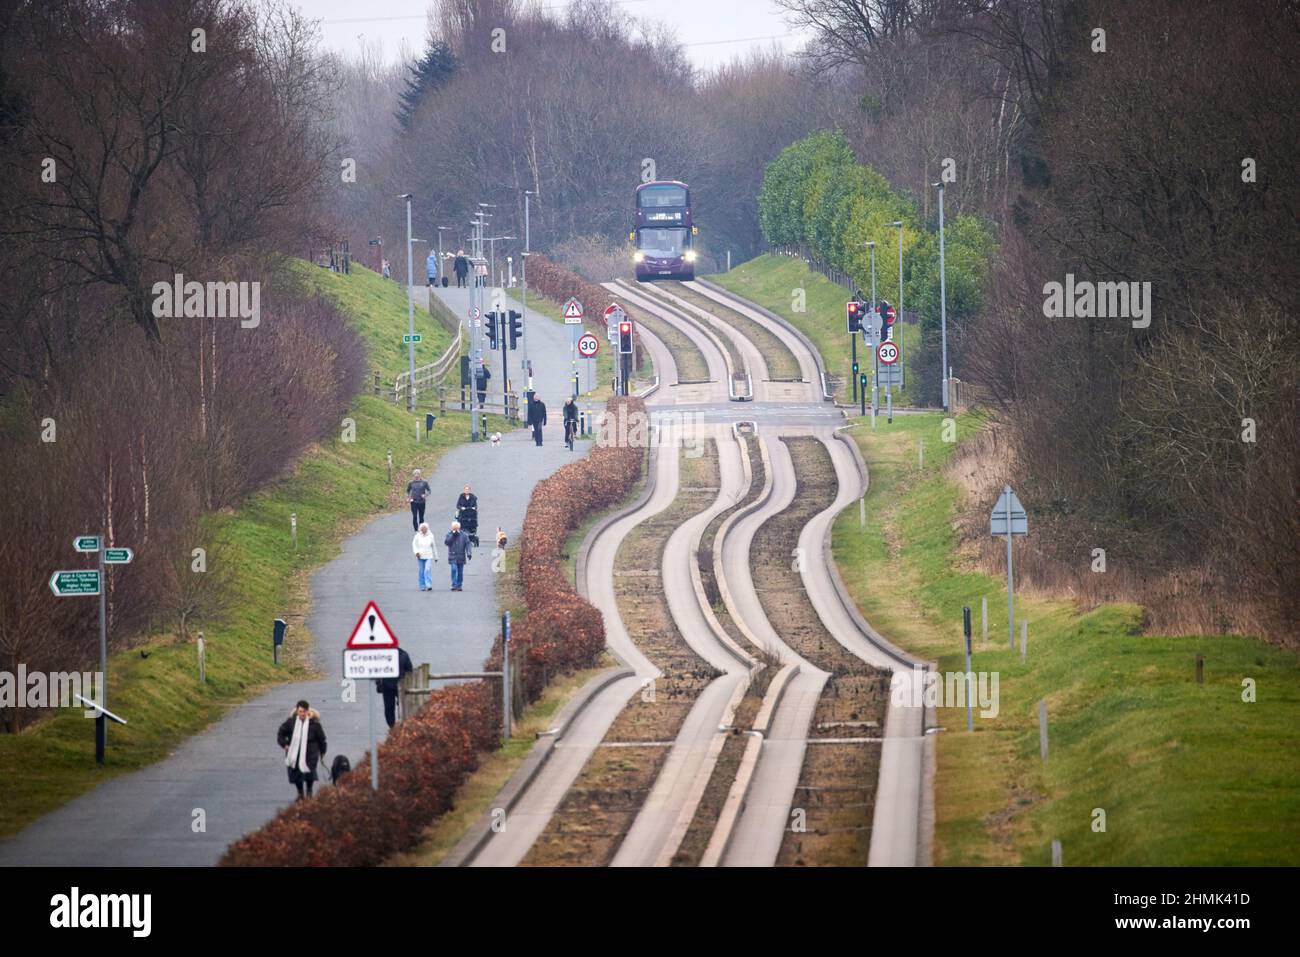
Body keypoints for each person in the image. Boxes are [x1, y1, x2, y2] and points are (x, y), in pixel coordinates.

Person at [277, 700, 327, 801]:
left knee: (309, 771)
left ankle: (309, 791)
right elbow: (280, 733)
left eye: (304, 711)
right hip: (294, 752)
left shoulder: (315, 725)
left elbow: (322, 739)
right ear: (297, 711)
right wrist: (284, 745)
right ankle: (300, 792)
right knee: (296, 773)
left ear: (308, 711)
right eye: (300, 711)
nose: (302, 714)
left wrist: (322, 752)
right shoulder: (291, 723)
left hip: (311, 752)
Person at [376, 646, 414, 728]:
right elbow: (410, 671)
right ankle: (402, 726)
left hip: (388, 685)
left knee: (389, 709)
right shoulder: (403, 654)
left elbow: (377, 670)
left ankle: (392, 728)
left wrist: (379, 684)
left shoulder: (383, 655)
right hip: (400, 685)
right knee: (403, 706)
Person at [444, 520, 472, 591]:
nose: (455, 530)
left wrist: (469, 553)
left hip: (461, 556)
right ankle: (454, 584)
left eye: (457, 528)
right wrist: (453, 536)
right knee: (453, 569)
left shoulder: (464, 535)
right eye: (454, 528)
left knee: (460, 572)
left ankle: (459, 585)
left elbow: (468, 544)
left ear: (459, 528)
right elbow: (447, 542)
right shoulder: (449, 534)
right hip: (452, 556)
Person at [412, 521, 437, 591]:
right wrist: (416, 552)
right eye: (422, 529)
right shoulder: (417, 536)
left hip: (429, 556)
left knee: (427, 569)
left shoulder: (431, 535)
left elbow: (433, 546)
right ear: (420, 529)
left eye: (425, 529)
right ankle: (422, 585)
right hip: (420, 556)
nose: (424, 530)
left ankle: (428, 584)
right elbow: (414, 545)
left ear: (427, 529)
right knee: (421, 571)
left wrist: (436, 557)